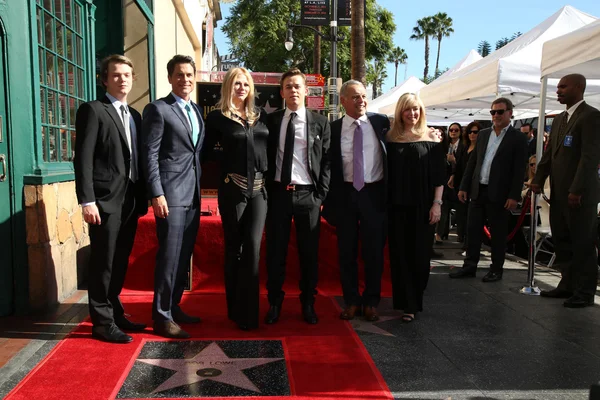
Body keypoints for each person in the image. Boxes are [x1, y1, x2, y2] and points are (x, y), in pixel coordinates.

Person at [74, 54, 147, 343]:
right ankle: (102, 323)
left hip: (130, 200)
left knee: (119, 260)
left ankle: (114, 311)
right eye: (116, 75)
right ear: (104, 79)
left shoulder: (135, 116)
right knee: (103, 261)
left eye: (127, 74)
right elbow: (83, 159)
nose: (122, 79)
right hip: (103, 201)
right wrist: (86, 200)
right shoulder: (93, 110)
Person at [141, 55, 205, 338]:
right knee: (169, 256)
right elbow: (150, 154)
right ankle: (161, 316)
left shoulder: (197, 109)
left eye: (190, 75)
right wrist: (157, 193)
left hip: (193, 195)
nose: (185, 80)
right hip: (170, 194)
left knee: (184, 255)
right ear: (170, 78)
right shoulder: (157, 109)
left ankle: (174, 305)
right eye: (179, 75)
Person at [203, 68, 269, 330]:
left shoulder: (261, 116)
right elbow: (207, 153)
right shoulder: (217, 118)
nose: (241, 88)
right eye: (236, 83)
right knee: (235, 249)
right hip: (233, 189)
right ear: (228, 86)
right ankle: (235, 309)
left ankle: (250, 313)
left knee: (253, 249)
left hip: (260, 191)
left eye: (245, 84)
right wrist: (230, 164)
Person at [264, 68, 331, 325]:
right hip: (279, 195)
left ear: (306, 91)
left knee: (309, 255)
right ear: (282, 92)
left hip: (308, 196)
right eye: (288, 86)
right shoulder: (272, 121)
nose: (293, 90)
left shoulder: (320, 122)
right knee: (275, 253)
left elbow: (326, 162)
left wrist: (320, 195)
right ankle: (274, 304)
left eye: (297, 86)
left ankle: (308, 303)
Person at [322, 80, 389, 322]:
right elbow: (326, 163)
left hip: (374, 195)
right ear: (342, 100)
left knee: (374, 252)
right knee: (346, 252)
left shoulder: (381, 123)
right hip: (345, 196)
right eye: (355, 97)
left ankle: (371, 302)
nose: (361, 101)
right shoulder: (333, 128)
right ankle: (351, 301)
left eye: (363, 96)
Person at [531, 73, 600, 307]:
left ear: (579, 87)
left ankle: (585, 292)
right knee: (562, 241)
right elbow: (549, 154)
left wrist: (577, 189)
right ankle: (567, 284)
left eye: (563, 86)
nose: (558, 90)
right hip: (559, 195)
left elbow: (590, 158)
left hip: (579, 196)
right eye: (557, 87)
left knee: (583, 243)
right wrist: (538, 180)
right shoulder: (560, 118)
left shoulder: (591, 116)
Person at [450, 98, 528, 282]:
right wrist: (464, 186)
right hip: (478, 190)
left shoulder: (518, 138)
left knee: (498, 234)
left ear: (510, 113)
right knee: (472, 230)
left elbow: (519, 170)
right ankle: (469, 266)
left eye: (500, 112)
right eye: (493, 112)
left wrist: (514, 195)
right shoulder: (484, 134)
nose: (496, 116)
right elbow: (473, 162)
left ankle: (496, 269)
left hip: (500, 193)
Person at [386, 93, 445, 323]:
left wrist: (437, 204)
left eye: (416, 109)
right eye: (407, 110)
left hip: (423, 207)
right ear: (400, 112)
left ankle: (415, 299)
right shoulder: (390, 138)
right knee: (399, 256)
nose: (412, 114)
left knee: (420, 257)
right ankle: (406, 305)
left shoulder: (431, 137)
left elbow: (439, 176)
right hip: (396, 206)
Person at [449, 121, 480, 246]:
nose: (472, 134)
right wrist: (453, 175)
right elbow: (460, 166)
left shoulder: (480, 148)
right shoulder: (464, 147)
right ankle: (462, 238)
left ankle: (469, 242)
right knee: (461, 213)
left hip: (475, 187)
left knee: (471, 216)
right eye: (470, 132)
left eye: (475, 132)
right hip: (461, 184)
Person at [436, 122, 461, 244]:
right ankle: (440, 234)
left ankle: (460, 236)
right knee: (443, 208)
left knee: (457, 211)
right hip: (442, 182)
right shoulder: (442, 146)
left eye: (456, 130)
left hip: (456, 183)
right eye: (451, 130)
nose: (453, 132)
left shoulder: (461, 146)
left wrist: (454, 161)